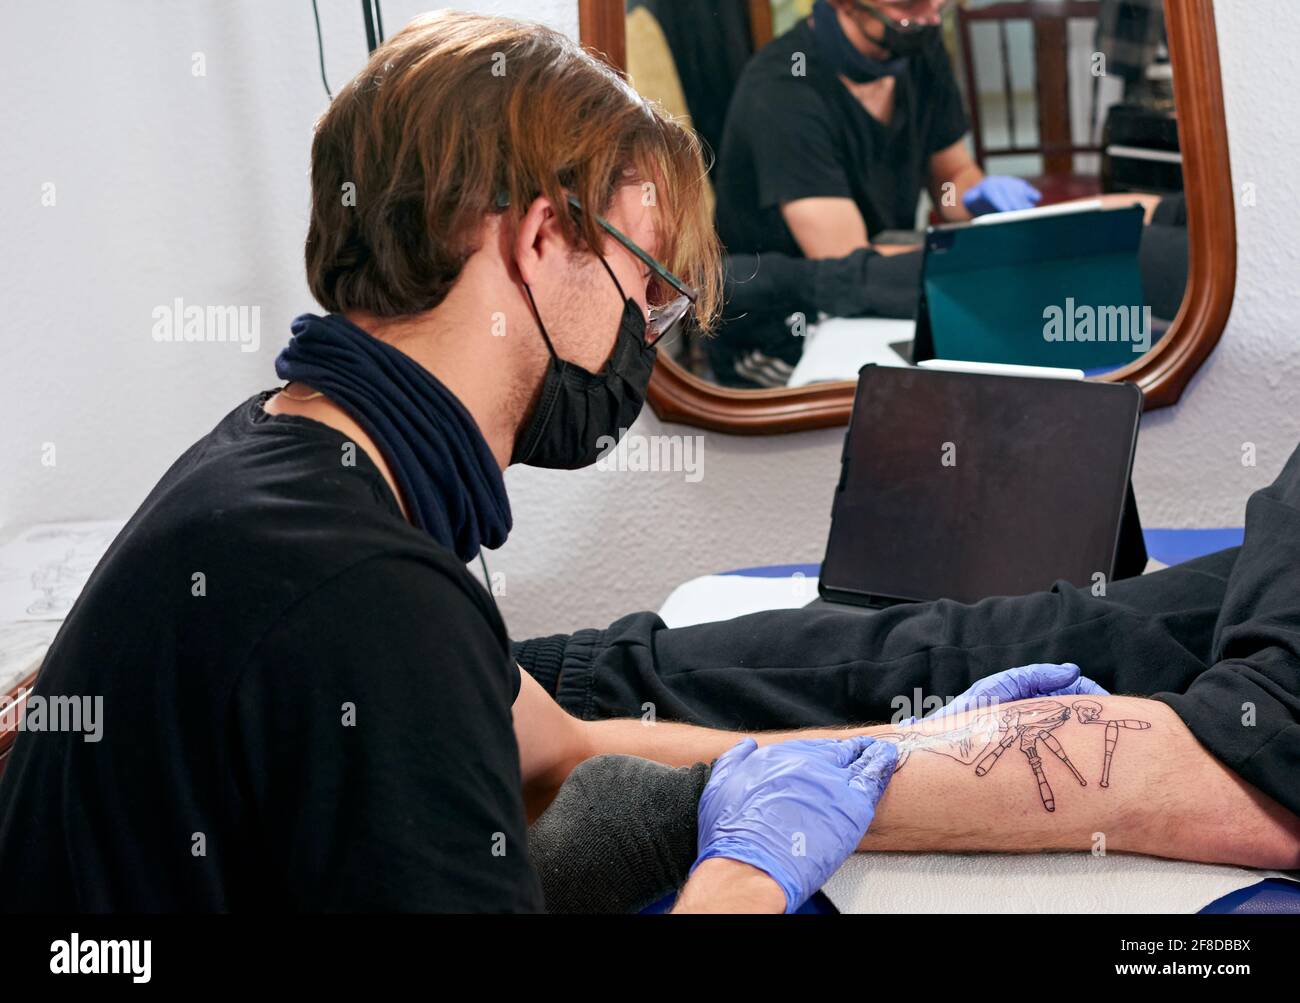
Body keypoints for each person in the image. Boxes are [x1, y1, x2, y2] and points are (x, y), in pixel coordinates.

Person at [0, 10, 1295, 916]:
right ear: (538, 242)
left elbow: (554, 737)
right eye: (650, 286)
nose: (649, 336)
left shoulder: (290, 475)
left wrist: (855, 759)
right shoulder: (359, 598)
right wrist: (746, 868)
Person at [709, 0, 1041, 385]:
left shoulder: (915, 47)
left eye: (937, 5)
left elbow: (951, 173)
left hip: (865, 284)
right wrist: (978, 260)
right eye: (909, 6)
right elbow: (848, 261)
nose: (930, 18)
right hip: (779, 332)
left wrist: (973, 195)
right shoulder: (782, 90)